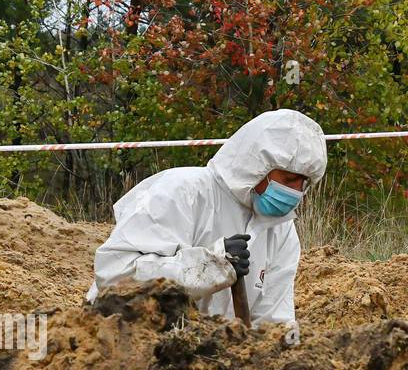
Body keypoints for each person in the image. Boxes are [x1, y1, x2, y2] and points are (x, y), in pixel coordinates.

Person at [89, 109, 327, 328]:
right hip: (124, 338)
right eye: (288, 179)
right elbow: (115, 276)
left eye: (303, 183)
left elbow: (273, 320)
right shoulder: (182, 192)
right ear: (259, 165)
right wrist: (212, 265)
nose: (296, 192)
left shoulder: (281, 230)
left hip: (207, 358)